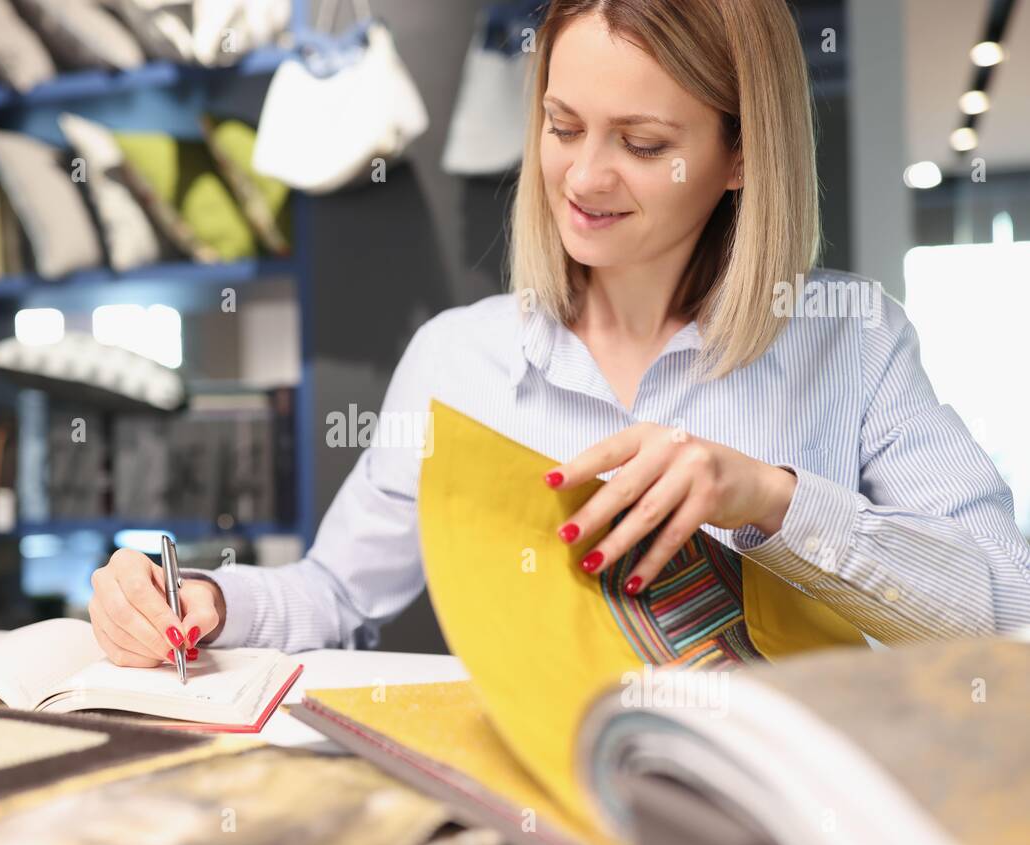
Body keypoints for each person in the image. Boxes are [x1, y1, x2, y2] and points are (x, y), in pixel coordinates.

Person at [88, 0, 1030, 668]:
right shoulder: (460, 358)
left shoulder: (852, 343)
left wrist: (773, 499)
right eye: (562, 125)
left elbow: (999, 606)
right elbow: (336, 593)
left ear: (741, 155)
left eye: (644, 143)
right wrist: (207, 601)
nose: (583, 178)